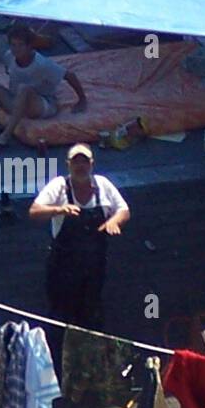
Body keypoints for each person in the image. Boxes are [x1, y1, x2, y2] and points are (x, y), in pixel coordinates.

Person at [29, 144, 129, 337]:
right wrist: (59, 210)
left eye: (85, 162)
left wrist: (114, 221)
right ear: (68, 165)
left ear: (92, 164)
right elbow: (34, 212)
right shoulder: (59, 186)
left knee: (92, 318)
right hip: (62, 270)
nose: (81, 166)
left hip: (94, 269)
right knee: (60, 319)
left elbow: (123, 210)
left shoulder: (103, 185)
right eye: (76, 162)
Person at [0, 24, 86, 147]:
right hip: (16, 100)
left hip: (42, 105)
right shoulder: (9, 56)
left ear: (29, 46)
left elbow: (70, 75)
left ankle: (6, 134)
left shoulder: (42, 64)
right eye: (13, 45)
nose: (16, 49)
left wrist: (82, 100)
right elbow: (8, 71)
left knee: (24, 88)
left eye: (21, 45)